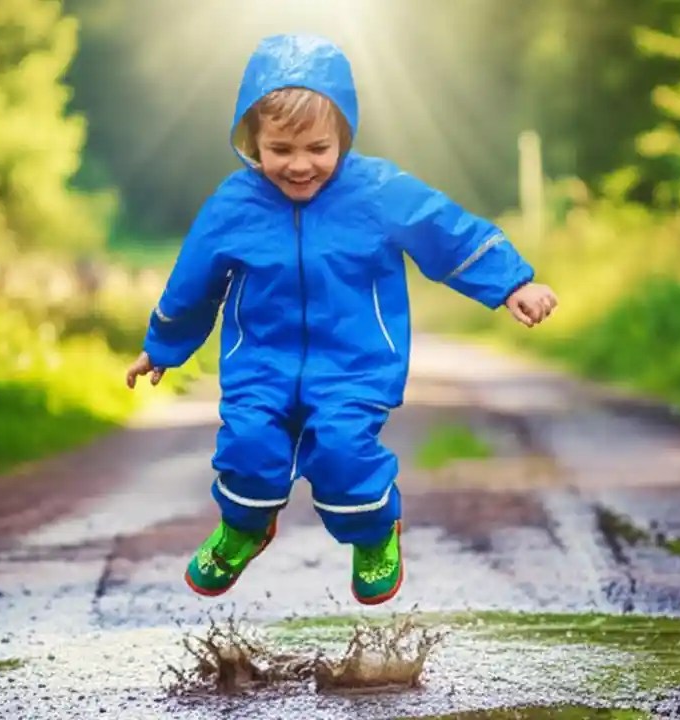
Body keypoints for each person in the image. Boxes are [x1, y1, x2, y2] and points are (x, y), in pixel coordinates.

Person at [125, 33, 557, 605]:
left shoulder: (378, 191)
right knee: (248, 445)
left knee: (343, 451)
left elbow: (446, 232)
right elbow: (193, 279)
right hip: (260, 364)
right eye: (280, 149)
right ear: (251, 140)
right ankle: (244, 527)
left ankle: (375, 532)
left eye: (317, 148)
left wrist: (512, 284)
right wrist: (163, 345)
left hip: (354, 366)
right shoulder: (234, 205)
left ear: (343, 136)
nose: (299, 165)